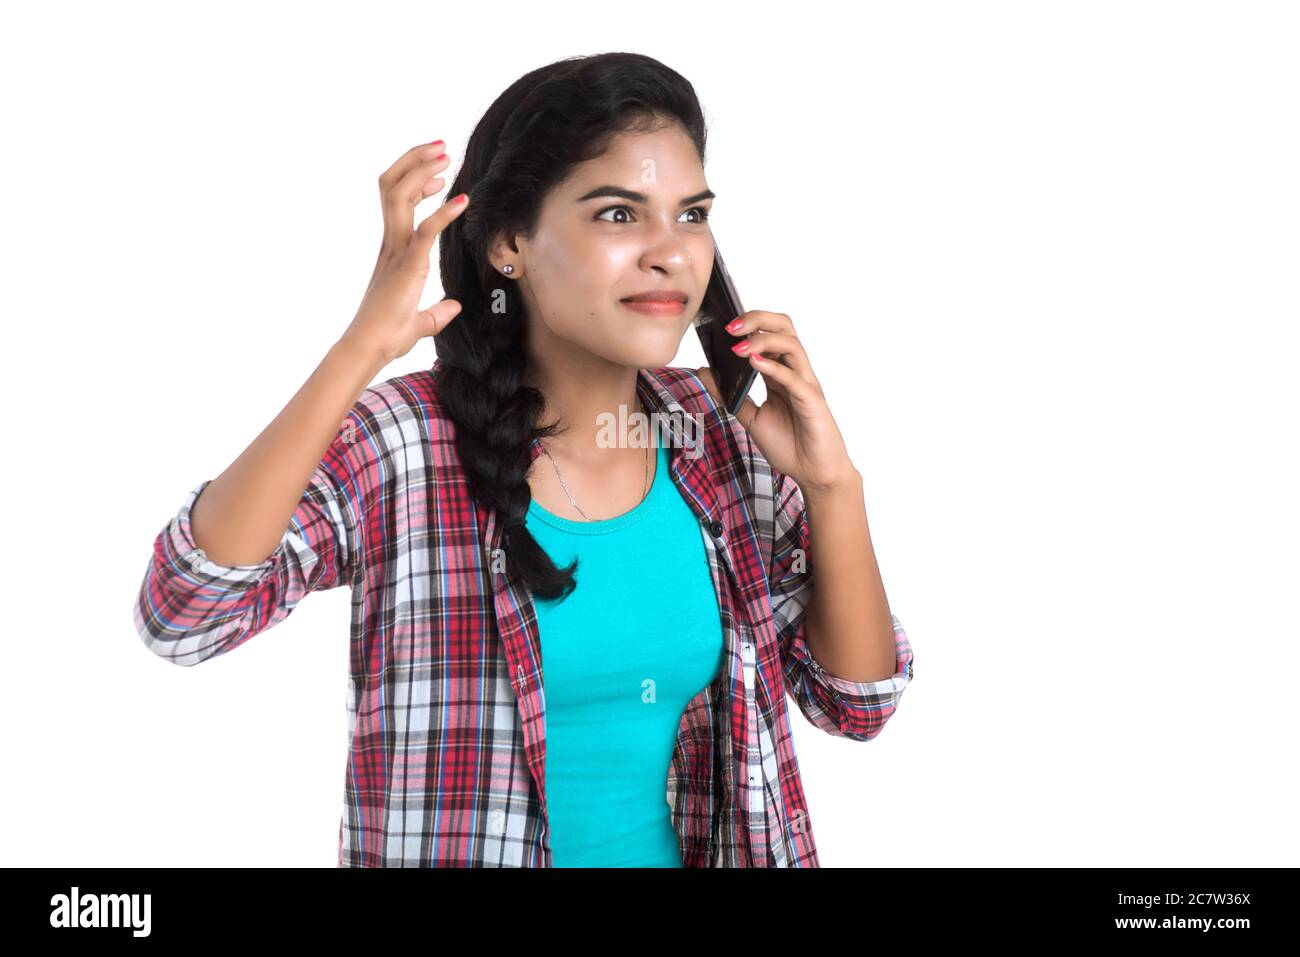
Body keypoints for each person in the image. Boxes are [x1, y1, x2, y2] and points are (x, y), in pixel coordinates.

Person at [133, 51, 915, 868]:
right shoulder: (405, 441)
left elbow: (855, 703)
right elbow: (186, 611)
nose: (670, 253)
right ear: (509, 244)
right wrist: (359, 347)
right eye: (618, 215)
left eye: (691, 215)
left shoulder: (714, 430)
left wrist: (833, 485)